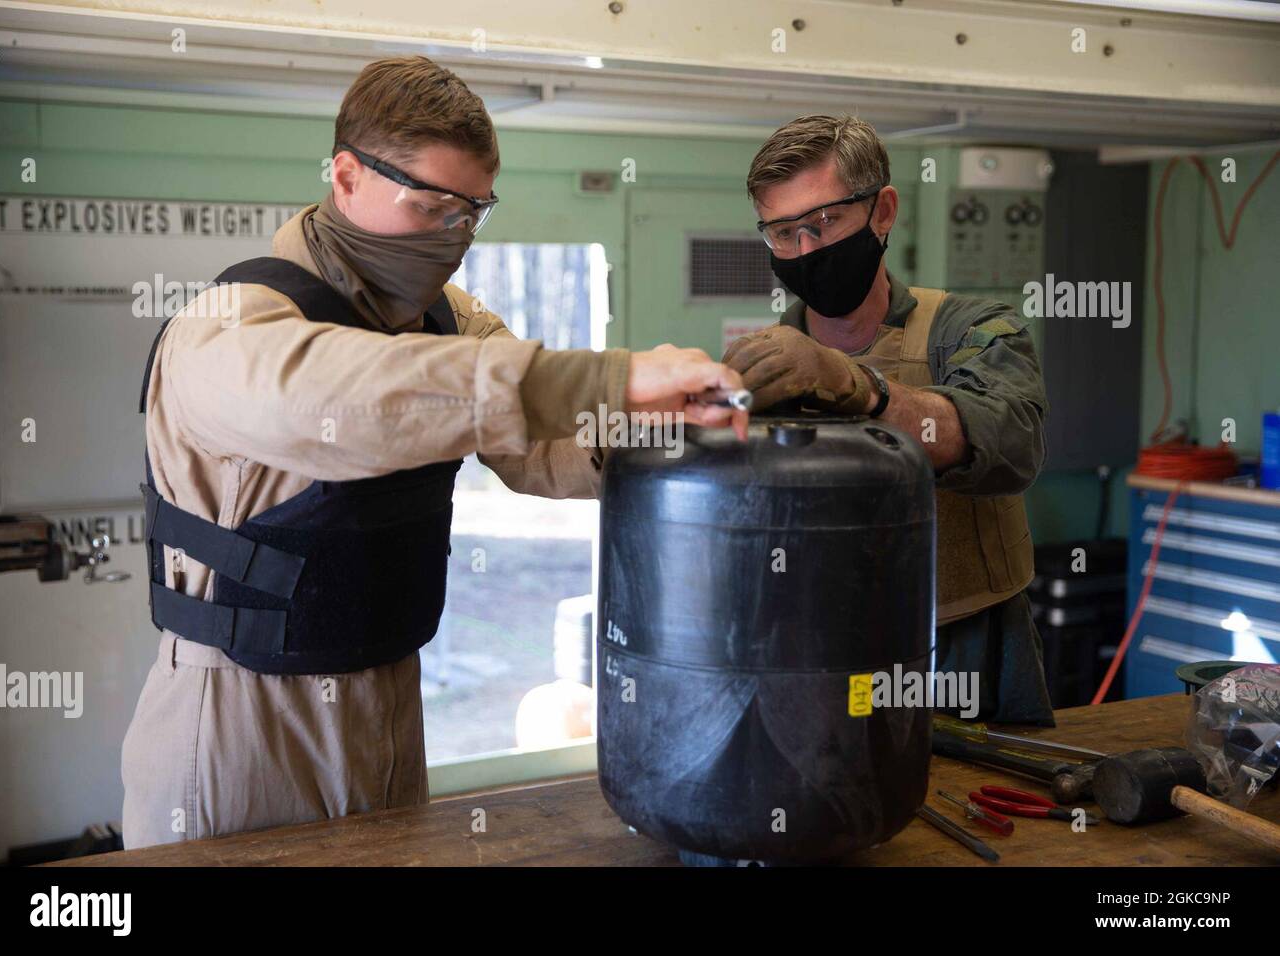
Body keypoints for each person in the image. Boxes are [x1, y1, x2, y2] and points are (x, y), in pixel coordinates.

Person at [121, 56, 745, 848]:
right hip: (241, 723)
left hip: (389, 702)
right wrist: (615, 376)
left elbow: (547, 447)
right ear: (346, 177)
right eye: (431, 206)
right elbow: (357, 403)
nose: (454, 238)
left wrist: (684, 435)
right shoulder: (228, 324)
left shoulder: (445, 319)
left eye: (472, 213)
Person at [723, 114, 1052, 725]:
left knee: (994, 801)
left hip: (966, 648)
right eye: (781, 233)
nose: (805, 251)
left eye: (824, 223)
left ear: (882, 211)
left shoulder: (973, 330)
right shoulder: (762, 367)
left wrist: (854, 386)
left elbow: (1012, 443)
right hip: (818, 653)